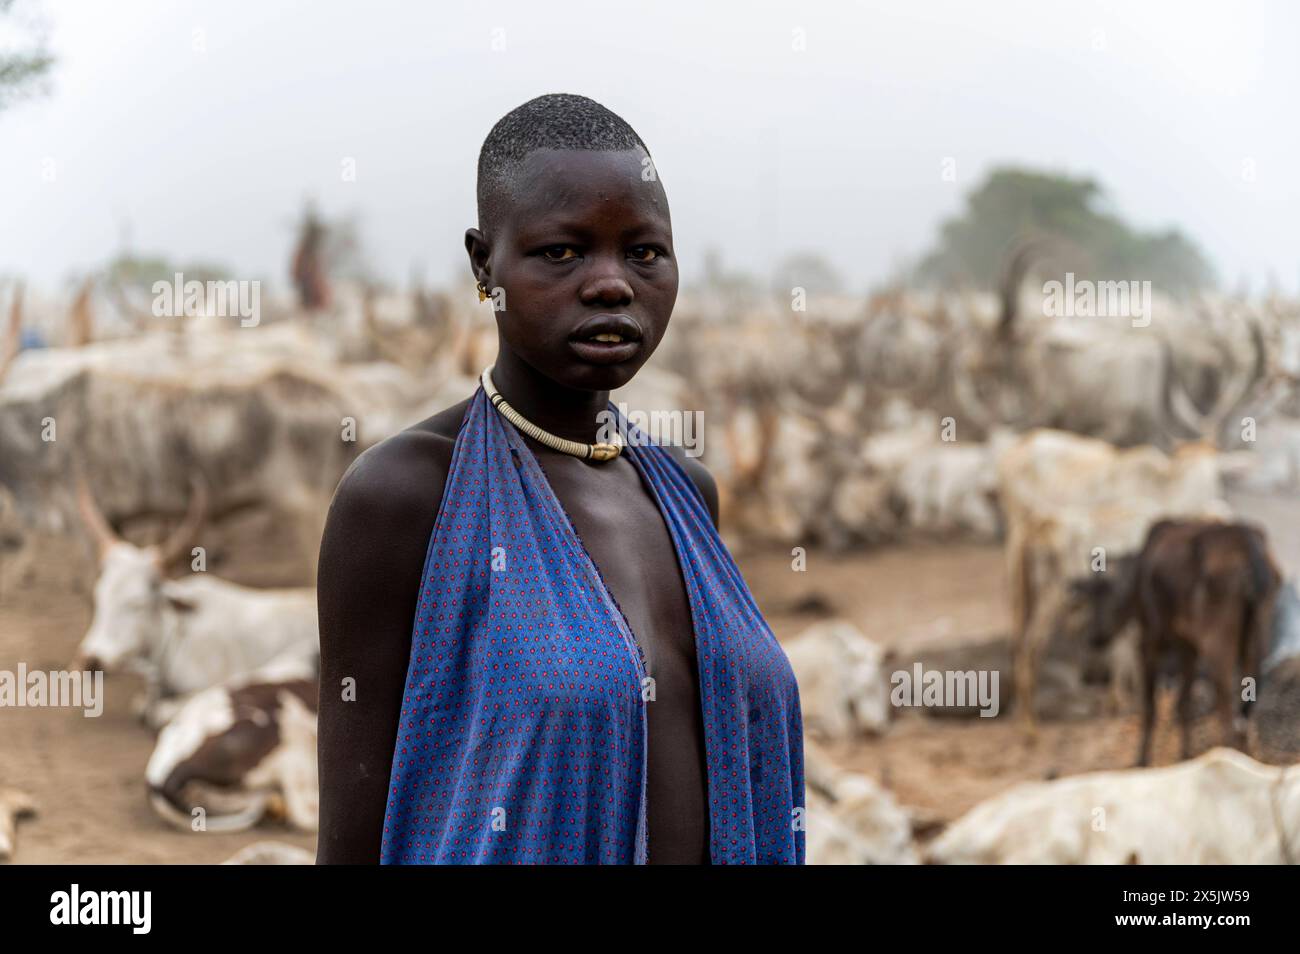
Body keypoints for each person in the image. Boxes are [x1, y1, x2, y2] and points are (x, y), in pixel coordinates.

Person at [315, 93, 804, 864]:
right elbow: (351, 838)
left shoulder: (684, 492)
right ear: (485, 265)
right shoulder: (408, 496)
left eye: (644, 252)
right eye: (562, 252)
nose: (612, 284)